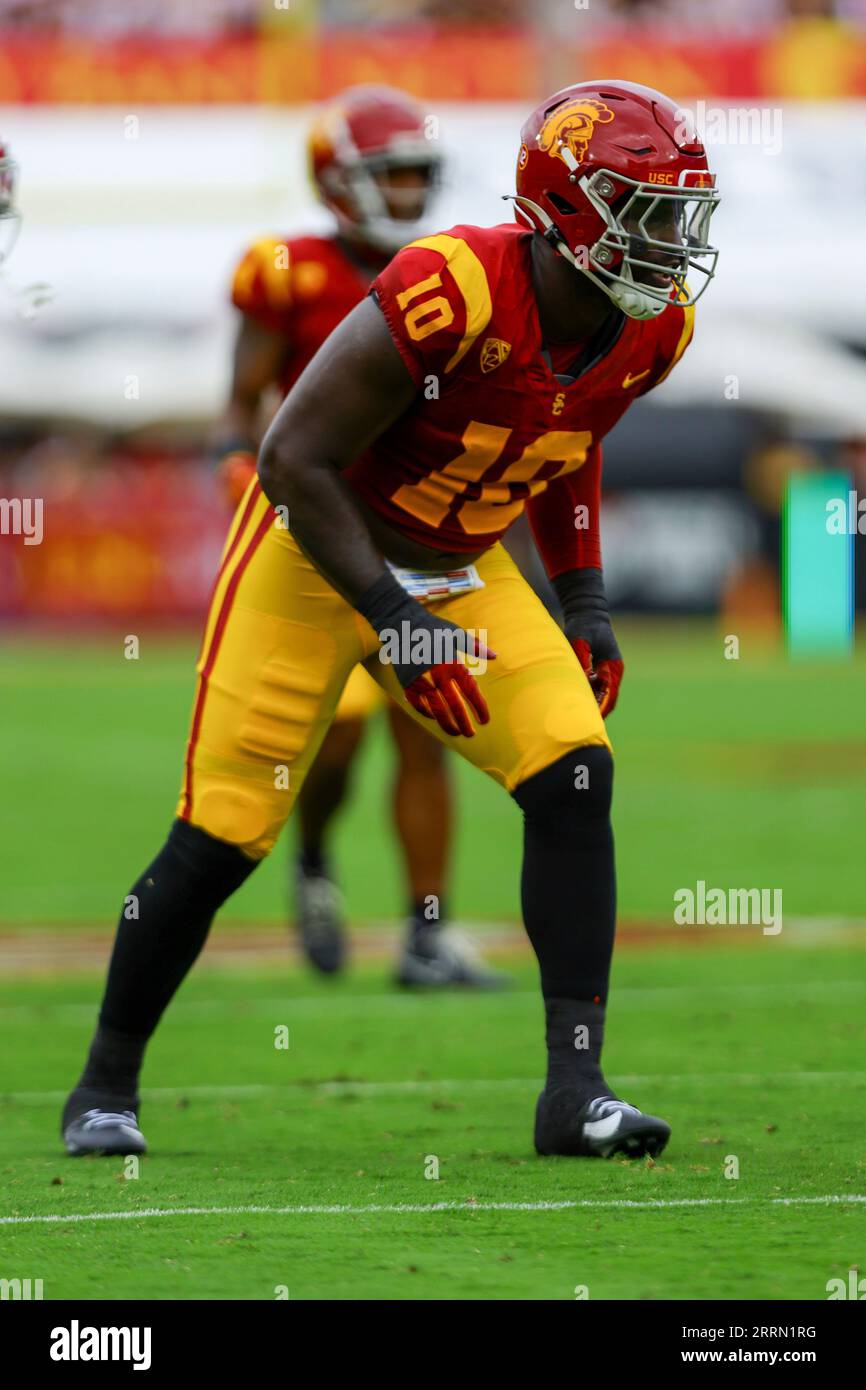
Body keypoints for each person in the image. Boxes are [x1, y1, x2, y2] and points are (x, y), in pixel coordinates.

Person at [62, 80, 719, 1159]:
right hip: (314, 549)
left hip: (460, 559)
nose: (668, 238)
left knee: (574, 770)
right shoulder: (452, 285)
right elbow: (290, 459)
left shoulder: (653, 328)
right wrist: (394, 621)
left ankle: (576, 1092)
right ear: (566, 207)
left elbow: (568, 437)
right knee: (224, 832)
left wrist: (584, 597)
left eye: (676, 212)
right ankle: (104, 1082)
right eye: (643, 209)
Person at [216, 85, 500, 987]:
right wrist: (240, 465)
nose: (413, 191)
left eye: (421, 173)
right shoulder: (283, 271)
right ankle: (313, 862)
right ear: (341, 182)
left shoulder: (448, 270)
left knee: (429, 725)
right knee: (335, 743)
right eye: (395, 173)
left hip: (412, 525)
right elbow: (241, 404)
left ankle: (427, 933)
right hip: (318, 529)